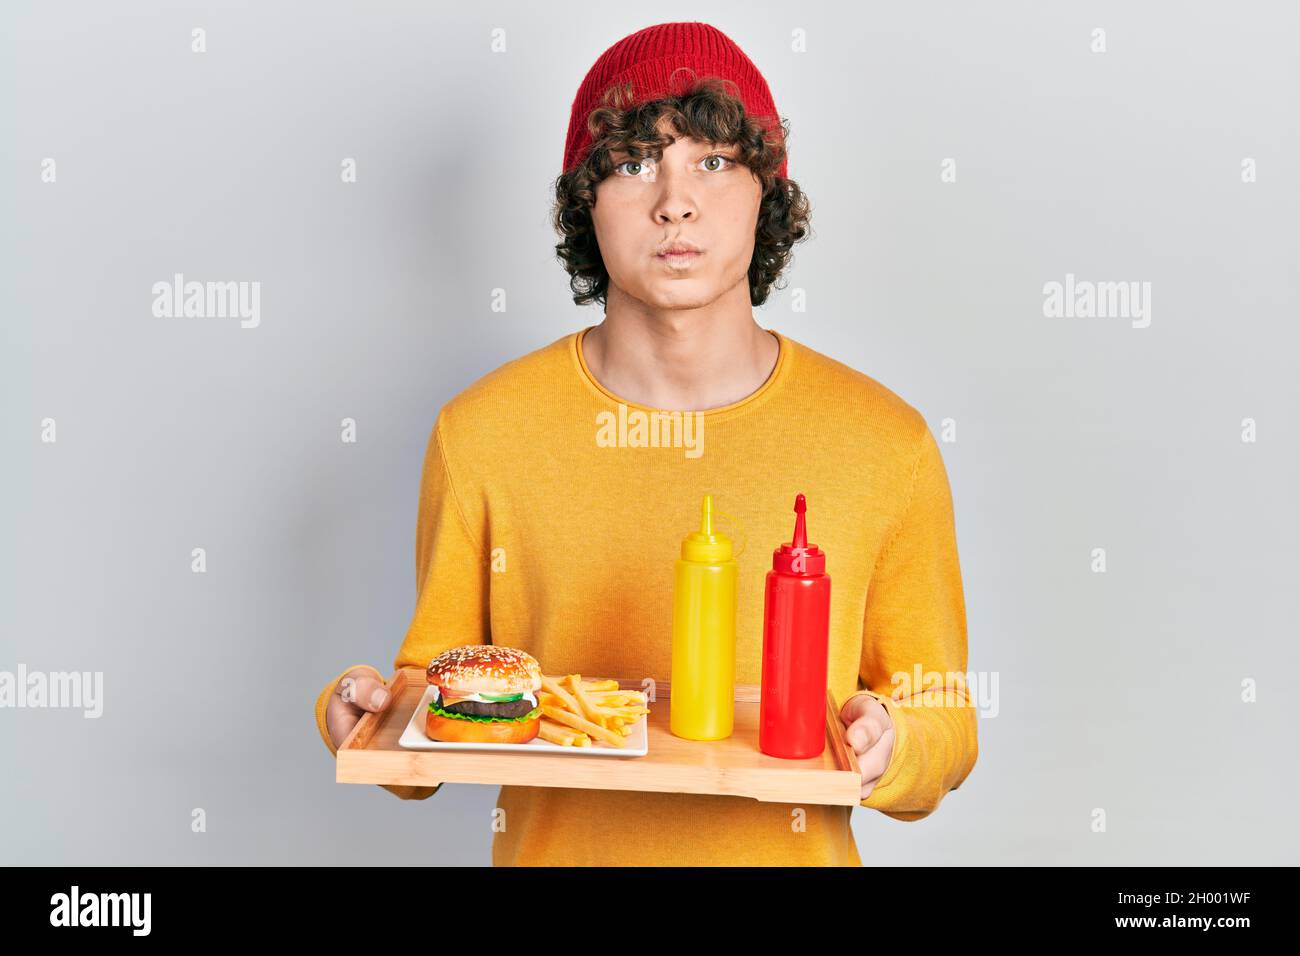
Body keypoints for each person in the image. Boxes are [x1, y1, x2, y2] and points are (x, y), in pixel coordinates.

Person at [315, 21, 977, 866]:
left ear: (764, 192)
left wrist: (895, 743)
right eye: (633, 164)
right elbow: (428, 704)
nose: (674, 200)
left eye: (713, 161)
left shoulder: (887, 442)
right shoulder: (479, 433)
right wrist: (355, 713)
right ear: (584, 202)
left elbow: (942, 711)